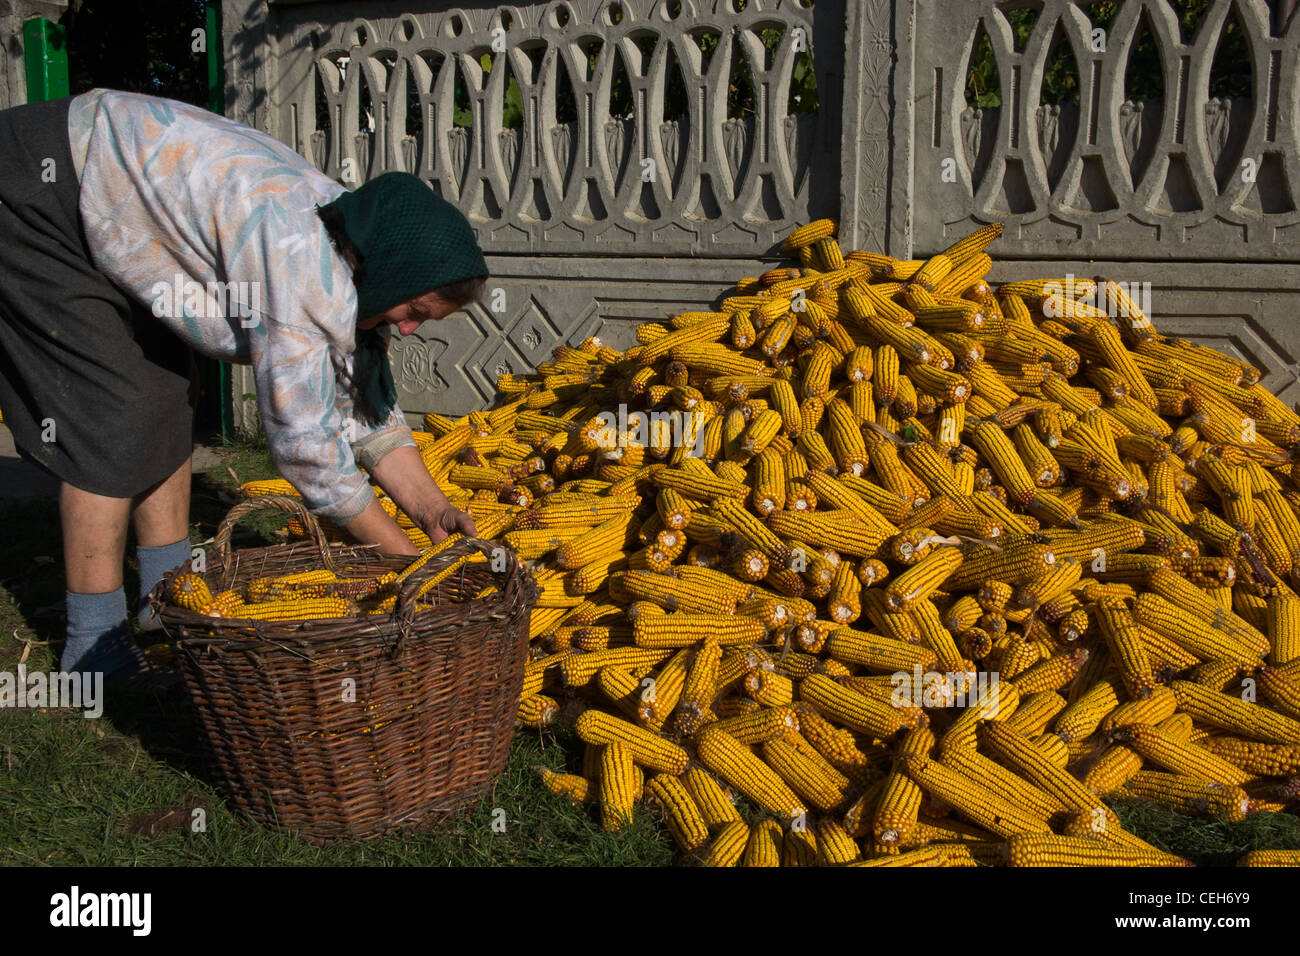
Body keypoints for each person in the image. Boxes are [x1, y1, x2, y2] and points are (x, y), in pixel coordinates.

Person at [0, 88, 485, 680]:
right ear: (400, 276)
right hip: (44, 186)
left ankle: (167, 602)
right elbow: (308, 452)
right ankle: (94, 652)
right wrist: (406, 562)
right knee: (113, 414)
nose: (407, 329)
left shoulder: (364, 242)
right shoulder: (300, 265)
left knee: (170, 398)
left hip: (110, 194)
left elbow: (359, 403)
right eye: (414, 310)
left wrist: (431, 509)